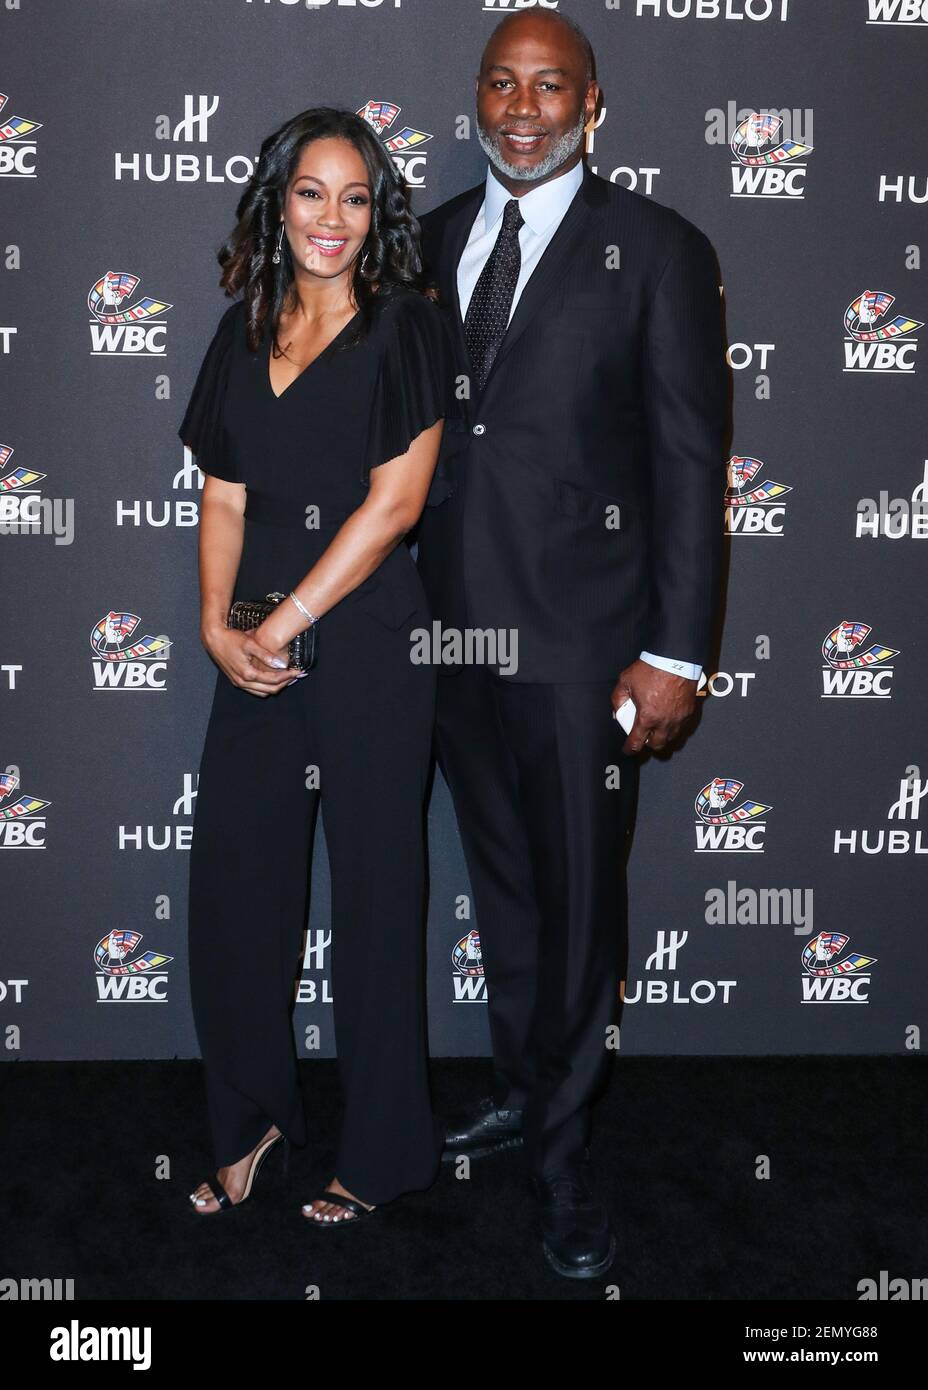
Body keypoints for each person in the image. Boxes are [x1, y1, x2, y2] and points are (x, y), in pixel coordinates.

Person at [415, 11, 729, 1277]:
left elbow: (687, 464)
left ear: (593, 104)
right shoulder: (425, 243)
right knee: (505, 899)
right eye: (502, 83)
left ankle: (562, 1168)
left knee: (580, 913)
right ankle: (520, 1085)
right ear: (475, 100)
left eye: (551, 86)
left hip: (585, 653)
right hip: (448, 646)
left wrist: (676, 652)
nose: (523, 107)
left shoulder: (656, 249)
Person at [179, 106, 460, 1226]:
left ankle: (381, 1151)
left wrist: (284, 619)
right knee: (238, 892)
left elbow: (393, 508)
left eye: (353, 197)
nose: (330, 219)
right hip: (250, 649)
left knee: (379, 903)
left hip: (369, 651)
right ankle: (248, 1124)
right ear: (276, 202)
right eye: (310, 194)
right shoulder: (243, 327)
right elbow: (224, 494)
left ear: (375, 211)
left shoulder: (407, 329)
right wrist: (214, 626)